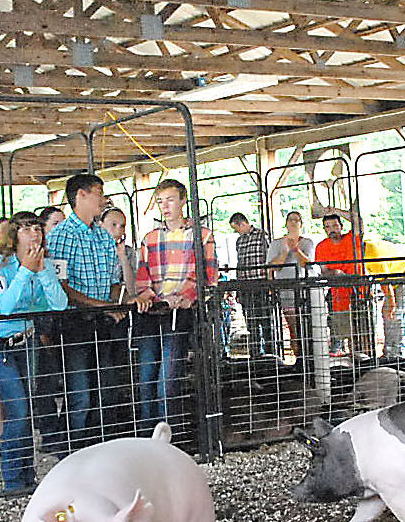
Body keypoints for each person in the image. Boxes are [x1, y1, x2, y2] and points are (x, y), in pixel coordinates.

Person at [0, 212, 67, 490]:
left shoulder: (45, 263)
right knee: (17, 407)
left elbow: (59, 303)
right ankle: (14, 480)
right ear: (14, 234)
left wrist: (41, 271)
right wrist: (27, 270)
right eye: (27, 229)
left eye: (37, 228)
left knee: (25, 407)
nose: (35, 233)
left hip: (26, 342)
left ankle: (26, 476)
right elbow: (4, 304)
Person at [44, 172, 122, 450]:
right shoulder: (61, 236)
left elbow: (114, 280)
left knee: (107, 387)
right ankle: (72, 450)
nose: (103, 198)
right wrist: (103, 306)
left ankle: (100, 447)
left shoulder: (103, 236)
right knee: (81, 392)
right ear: (81, 195)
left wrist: (114, 304)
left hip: (104, 321)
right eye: (98, 192)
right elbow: (61, 287)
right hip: (75, 322)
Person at [133, 178, 218, 429]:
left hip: (179, 312)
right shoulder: (149, 238)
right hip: (152, 311)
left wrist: (186, 297)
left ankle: (167, 434)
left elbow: (208, 275)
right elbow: (142, 275)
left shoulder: (202, 236)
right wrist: (151, 297)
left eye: (170, 200)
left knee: (168, 379)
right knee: (146, 377)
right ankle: (147, 434)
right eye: (160, 201)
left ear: (183, 201)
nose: (165, 206)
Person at [313, 210, 366, 356]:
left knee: (361, 329)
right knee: (339, 328)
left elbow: (358, 221)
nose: (332, 230)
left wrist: (336, 211)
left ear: (341, 226)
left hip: (359, 290)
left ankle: (361, 355)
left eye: (335, 225)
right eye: (328, 227)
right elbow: (323, 270)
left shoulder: (351, 238)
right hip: (338, 294)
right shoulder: (321, 247)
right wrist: (335, 273)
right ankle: (338, 352)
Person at [266, 210, 315, 361]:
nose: (293, 223)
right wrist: (286, 251)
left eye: (297, 220)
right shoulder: (276, 243)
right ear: (286, 224)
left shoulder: (307, 243)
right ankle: (299, 359)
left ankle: (311, 358)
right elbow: (272, 266)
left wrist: (296, 249)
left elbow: (308, 264)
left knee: (309, 326)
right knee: (293, 327)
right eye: (290, 220)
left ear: (301, 224)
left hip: (305, 290)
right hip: (286, 290)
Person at [230, 211, 274, 356]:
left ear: (242, 223)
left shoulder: (262, 235)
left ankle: (270, 353)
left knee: (265, 320)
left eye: (236, 228)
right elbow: (239, 262)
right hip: (246, 285)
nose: (237, 232)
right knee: (251, 321)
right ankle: (255, 354)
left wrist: (270, 282)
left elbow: (269, 258)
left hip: (261, 283)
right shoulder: (239, 241)